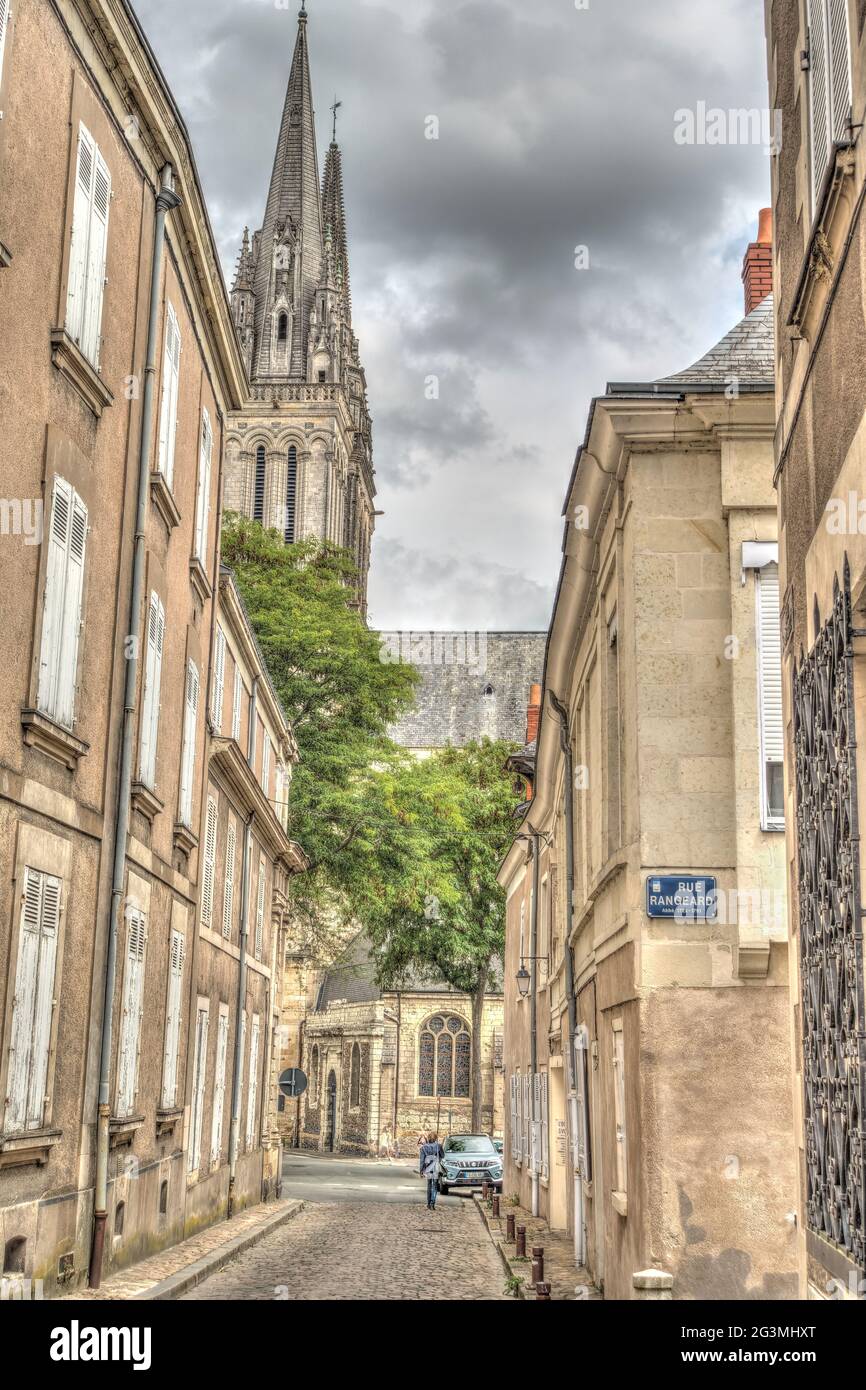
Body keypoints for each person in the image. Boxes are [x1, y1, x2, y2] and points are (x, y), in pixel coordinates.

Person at [419, 1130, 445, 1210]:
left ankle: (428, 1203)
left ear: (428, 1138)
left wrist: (421, 1171)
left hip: (428, 1167)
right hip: (436, 1167)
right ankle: (432, 1203)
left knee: (429, 1185)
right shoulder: (439, 1146)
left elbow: (422, 1160)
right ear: (436, 1138)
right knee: (435, 1186)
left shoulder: (424, 1147)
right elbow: (443, 1155)